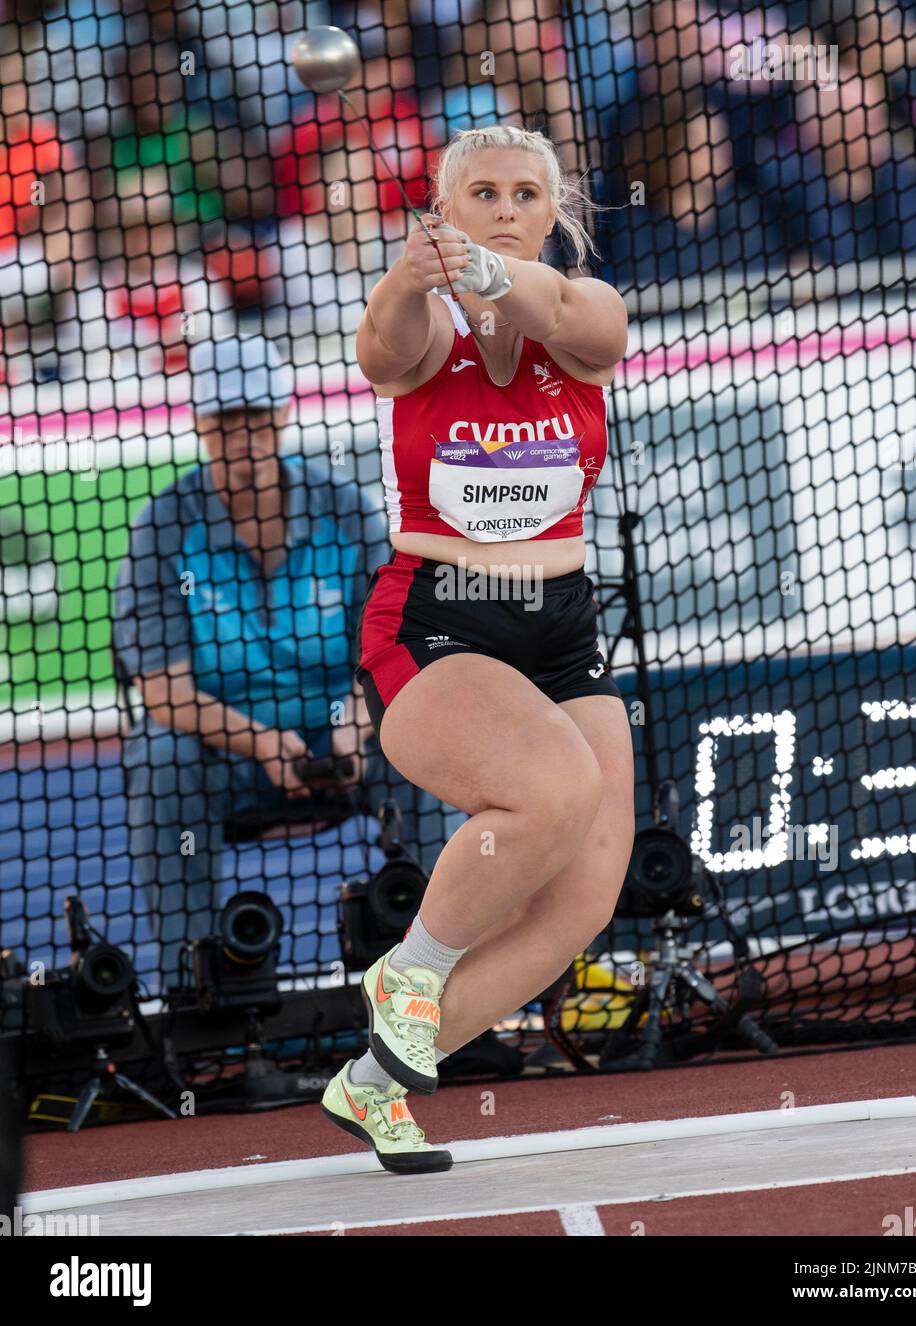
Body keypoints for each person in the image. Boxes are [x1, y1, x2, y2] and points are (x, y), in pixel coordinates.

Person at [320, 124, 635, 1173]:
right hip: (438, 616)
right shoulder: (421, 321)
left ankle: (374, 1082)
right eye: (483, 193)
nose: (505, 207)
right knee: (549, 788)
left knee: (586, 885)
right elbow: (380, 351)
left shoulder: (580, 311)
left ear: (552, 213)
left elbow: (567, 316)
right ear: (444, 210)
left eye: (525, 194)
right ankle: (406, 976)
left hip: (560, 622)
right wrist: (409, 280)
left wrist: (501, 272)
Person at [112, 333, 384, 991]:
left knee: (427, 736)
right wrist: (260, 742)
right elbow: (162, 693)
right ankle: (198, 988)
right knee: (158, 755)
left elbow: (389, 649)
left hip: (343, 740)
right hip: (226, 758)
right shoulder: (162, 529)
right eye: (224, 423)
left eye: (255, 420)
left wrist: (358, 720)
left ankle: (437, 974)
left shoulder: (348, 512)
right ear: (201, 427)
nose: (242, 440)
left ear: (281, 417)